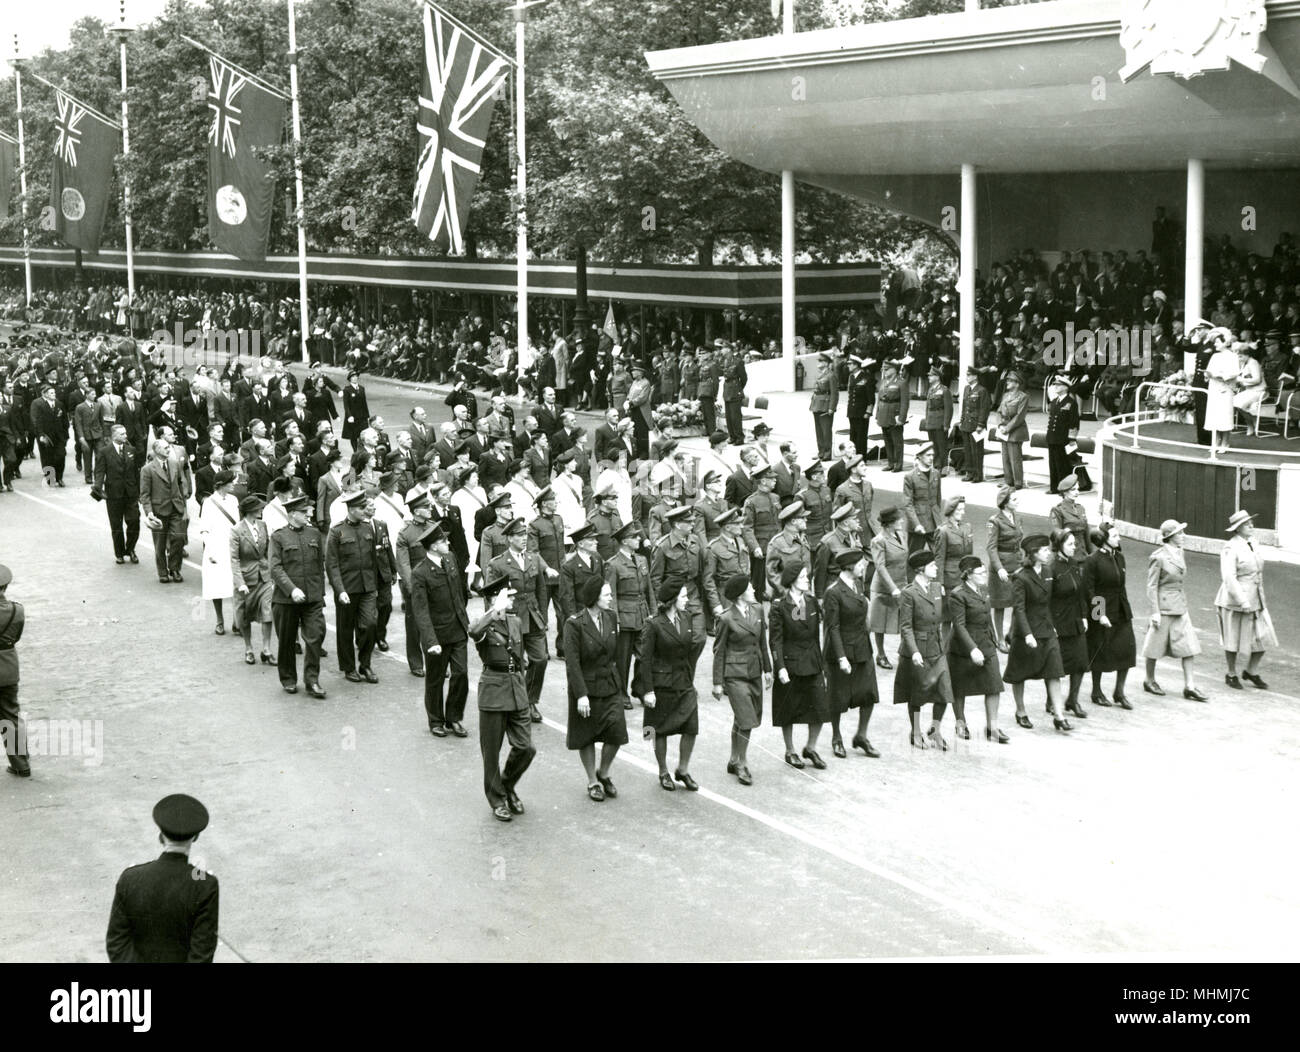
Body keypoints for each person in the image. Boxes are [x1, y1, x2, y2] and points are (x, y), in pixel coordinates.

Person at [106, 794, 219, 963]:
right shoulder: (205, 886)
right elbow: (202, 953)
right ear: (195, 837)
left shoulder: (130, 878)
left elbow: (116, 943)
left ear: (161, 835)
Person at [471, 574, 535, 822]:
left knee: (526, 747)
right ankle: (497, 799)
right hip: (493, 691)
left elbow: (520, 658)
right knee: (492, 752)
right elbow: (475, 631)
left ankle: (507, 785)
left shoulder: (515, 622)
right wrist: (493, 611)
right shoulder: (483, 623)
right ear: (494, 599)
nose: (512, 599)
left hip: (515, 689)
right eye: (507, 596)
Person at [635, 582, 704, 792]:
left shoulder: (686, 618)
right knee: (658, 730)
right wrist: (648, 690)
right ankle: (663, 771)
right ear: (673, 600)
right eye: (683, 596)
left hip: (683, 682)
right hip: (662, 684)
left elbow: (689, 652)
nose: (687, 600)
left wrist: (691, 681)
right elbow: (644, 659)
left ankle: (682, 770)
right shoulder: (653, 624)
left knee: (691, 727)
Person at [562, 578, 626, 802]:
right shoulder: (575, 624)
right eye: (607, 595)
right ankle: (593, 780)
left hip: (609, 684)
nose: (611, 598)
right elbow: (572, 662)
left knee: (617, 733)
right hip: (586, 688)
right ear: (594, 598)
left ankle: (604, 772)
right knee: (586, 736)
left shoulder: (611, 617)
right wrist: (581, 695)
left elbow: (616, 654)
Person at [1003, 535, 1071, 732]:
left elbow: (1047, 603)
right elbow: (1019, 609)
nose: (1048, 553)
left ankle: (1059, 715)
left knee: (1054, 671)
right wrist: (1027, 634)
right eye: (1044, 550)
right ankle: (1021, 711)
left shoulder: (1048, 572)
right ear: (1033, 554)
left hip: (1046, 630)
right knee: (1020, 673)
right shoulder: (1021, 577)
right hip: (1026, 632)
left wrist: (1053, 625)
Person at [486, 516, 549, 723]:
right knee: (516, 663)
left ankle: (531, 699)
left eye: (525, 535)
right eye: (520, 536)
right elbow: (491, 595)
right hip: (512, 619)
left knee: (540, 659)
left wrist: (544, 617)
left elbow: (541, 590)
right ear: (509, 538)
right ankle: (521, 704)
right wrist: (496, 624)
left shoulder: (534, 559)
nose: (524, 539)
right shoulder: (498, 564)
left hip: (532, 615)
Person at [411, 522, 470, 738]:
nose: (448, 542)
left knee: (461, 673)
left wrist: (465, 620)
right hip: (437, 635)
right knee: (435, 679)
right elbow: (421, 610)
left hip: (457, 629)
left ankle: (453, 717)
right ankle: (436, 720)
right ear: (434, 546)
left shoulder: (450, 559)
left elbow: (459, 593)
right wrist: (430, 640)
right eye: (443, 540)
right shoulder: (420, 573)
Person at [895, 549, 958, 748]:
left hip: (936, 648)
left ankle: (935, 730)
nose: (936, 568)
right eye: (932, 566)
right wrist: (913, 651)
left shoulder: (936, 588)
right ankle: (915, 731)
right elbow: (905, 626)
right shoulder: (908, 593)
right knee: (917, 694)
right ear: (920, 570)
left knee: (945, 691)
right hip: (918, 650)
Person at [770, 563, 830, 769]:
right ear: (792, 580)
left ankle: (811, 748)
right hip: (791, 664)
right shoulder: (779, 605)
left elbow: (816, 637)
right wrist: (780, 667)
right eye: (803, 577)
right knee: (788, 709)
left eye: (807, 576)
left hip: (812, 662)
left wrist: (822, 665)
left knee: (820, 707)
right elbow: (775, 640)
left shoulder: (811, 602)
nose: (807, 580)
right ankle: (790, 750)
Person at [713, 574, 771, 785]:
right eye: (749, 588)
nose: (754, 590)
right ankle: (742, 763)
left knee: (743, 717)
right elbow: (719, 651)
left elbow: (762, 642)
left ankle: (733, 757)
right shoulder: (726, 618)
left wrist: (768, 669)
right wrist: (717, 683)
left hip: (754, 671)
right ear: (739, 595)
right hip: (735, 674)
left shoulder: (758, 609)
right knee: (746, 718)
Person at [268, 494, 328, 698]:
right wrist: (292, 589)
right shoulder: (278, 537)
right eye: (305, 512)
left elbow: (320, 565)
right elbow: (275, 568)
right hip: (286, 600)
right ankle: (288, 679)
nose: (309, 514)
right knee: (286, 641)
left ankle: (312, 681)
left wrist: (320, 594)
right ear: (293, 514)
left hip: (312, 599)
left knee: (315, 637)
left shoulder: (314, 534)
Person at [1142, 519, 1208, 701]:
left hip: (1179, 605)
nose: (1183, 536)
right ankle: (1149, 680)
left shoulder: (1180, 552)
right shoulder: (1158, 557)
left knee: (1188, 646)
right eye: (1180, 533)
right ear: (1170, 537)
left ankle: (1190, 686)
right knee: (1154, 646)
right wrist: (1155, 612)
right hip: (1163, 607)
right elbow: (1151, 586)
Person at [823, 548, 880, 758]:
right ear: (849, 567)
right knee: (837, 697)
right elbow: (833, 628)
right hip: (842, 650)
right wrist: (841, 657)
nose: (864, 566)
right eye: (861, 563)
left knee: (869, 694)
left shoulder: (857, 585)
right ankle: (836, 737)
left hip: (862, 647)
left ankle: (861, 736)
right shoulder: (833, 592)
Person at [947, 556, 1008, 743]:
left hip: (986, 643)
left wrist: (996, 638)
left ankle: (992, 728)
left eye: (984, 572)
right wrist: (972, 649)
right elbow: (959, 625)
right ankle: (960, 723)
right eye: (980, 573)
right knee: (959, 688)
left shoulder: (983, 590)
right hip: (963, 647)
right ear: (968, 575)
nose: (984, 575)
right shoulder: (957, 594)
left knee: (994, 684)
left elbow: (987, 615)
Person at [1216, 509, 1276, 690]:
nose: (1251, 526)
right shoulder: (1230, 547)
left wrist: (1256, 598)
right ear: (1237, 528)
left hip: (1256, 599)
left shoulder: (1253, 543)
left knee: (1264, 636)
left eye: (1251, 522)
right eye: (1247, 524)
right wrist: (1242, 600)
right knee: (1232, 639)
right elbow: (1228, 577)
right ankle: (1231, 673)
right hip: (1235, 601)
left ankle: (1251, 671)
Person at [326, 490, 381, 684]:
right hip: (347, 589)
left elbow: (373, 560)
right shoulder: (337, 531)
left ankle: (365, 664)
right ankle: (348, 667)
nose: (365, 511)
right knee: (345, 629)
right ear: (350, 509)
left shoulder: (368, 528)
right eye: (360, 508)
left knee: (370, 625)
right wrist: (339, 590)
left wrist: (375, 585)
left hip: (367, 586)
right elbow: (331, 564)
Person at [650, 505, 709, 675]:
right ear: (677, 524)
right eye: (688, 522)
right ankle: (676, 679)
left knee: (699, 638)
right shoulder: (662, 546)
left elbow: (701, 571)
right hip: (672, 599)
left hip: (692, 596)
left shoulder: (695, 540)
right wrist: (662, 604)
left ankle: (685, 676)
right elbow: (655, 578)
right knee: (674, 642)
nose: (693, 524)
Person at [1083, 522, 1136, 709]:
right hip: (1103, 612)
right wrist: (1099, 614)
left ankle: (1119, 692)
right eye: (1114, 536)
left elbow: (1121, 587)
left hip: (1121, 610)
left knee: (1127, 650)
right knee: (1100, 652)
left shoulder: (1120, 558)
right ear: (1103, 540)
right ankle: (1096, 691)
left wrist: (1127, 611)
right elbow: (1089, 590)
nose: (1119, 539)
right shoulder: (1092, 561)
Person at [605, 521, 654, 708]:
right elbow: (612, 595)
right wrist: (614, 619)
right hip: (624, 617)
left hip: (642, 614)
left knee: (645, 655)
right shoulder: (613, 564)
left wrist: (654, 613)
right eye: (635, 537)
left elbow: (649, 589)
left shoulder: (641, 560)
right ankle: (621, 694)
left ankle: (640, 689)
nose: (639, 539)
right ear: (625, 541)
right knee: (622, 659)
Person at [1048, 530, 1091, 720]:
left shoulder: (1074, 564)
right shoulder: (1050, 567)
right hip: (1058, 621)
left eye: (1075, 544)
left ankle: (1073, 700)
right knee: (1056, 665)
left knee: (1081, 661)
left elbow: (1081, 593)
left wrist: (1084, 616)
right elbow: (1046, 599)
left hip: (1075, 620)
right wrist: (1050, 624)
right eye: (1071, 544)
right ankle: (1051, 701)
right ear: (1059, 546)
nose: (1075, 547)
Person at [230, 495, 274, 666]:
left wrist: (271, 574)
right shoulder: (236, 530)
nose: (261, 510)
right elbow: (234, 559)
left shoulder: (263, 526)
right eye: (258, 508)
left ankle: (267, 650)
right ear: (250, 511)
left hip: (264, 577)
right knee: (245, 616)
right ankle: (248, 649)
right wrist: (239, 583)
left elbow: (268, 551)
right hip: (246, 580)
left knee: (267, 611)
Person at [139, 437, 190, 583]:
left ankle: (175, 569)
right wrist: (149, 513)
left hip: (176, 508)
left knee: (179, 539)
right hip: (158, 511)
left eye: (169, 447)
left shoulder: (174, 464)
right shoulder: (147, 469)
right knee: (160, 544)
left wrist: (183, 504)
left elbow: (180, 484)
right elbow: (144, 494)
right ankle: (162, 571)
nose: (169, 449)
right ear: (157, 451)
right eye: (166, 447)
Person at [94, 423, 141, 564]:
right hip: (114, 494)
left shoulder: (131, 449)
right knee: (116, 525)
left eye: (125, 433)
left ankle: (130, 549)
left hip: (131, 493)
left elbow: (136, 472)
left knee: (134, 522)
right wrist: (98, 486)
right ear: (114, 436)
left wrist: (140, 492)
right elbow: (100, 471)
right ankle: (119, 553)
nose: (126, 436)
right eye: (122, 434)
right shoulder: (104, 452)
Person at [198, 470, 238, 636]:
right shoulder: (208, 503)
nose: (234, 484)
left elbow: (237, 524)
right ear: (222, 484)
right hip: (215, 547)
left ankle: (237, 621)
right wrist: (210, 550)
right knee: (216, 585)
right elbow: (204, 529)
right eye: (231, 482)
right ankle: (220, 620)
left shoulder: (234, 500)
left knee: (236, 584)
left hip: (232, 546)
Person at [868, 506, 907, 665]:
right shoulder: (879, 540)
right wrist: (893, 588)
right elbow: (880, 566)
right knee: (880, 623)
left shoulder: (901, 534)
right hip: (884, 587)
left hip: (901, 583)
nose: (902, 521)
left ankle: (906, 652)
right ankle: (881, 655)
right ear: (890, 523)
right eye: (899, 519)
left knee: (905, 620)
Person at [985, 485, 1023, 651]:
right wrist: (999, 568)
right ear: (1005, 503)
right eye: (1014, 499)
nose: (1017, 501)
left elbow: (1019, 541)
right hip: (1001, 567)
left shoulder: (1017, 517)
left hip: (1017, 564)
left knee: (1018, 602)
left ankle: (1011, 634)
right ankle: (1000, 639)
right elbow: (991, 547)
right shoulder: (995, 521)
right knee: (1000, 604)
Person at [932, 495, 972, 647]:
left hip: (964, 577)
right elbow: (939, 559)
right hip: (949, 580)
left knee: (963, 615)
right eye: (959, 510)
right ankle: (945, 648)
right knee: (948, 618)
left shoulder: (967, 527)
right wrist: (939, 583)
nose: (963, 512)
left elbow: (970, 555)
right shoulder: (943, 531)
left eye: (963, 509)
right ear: (951, 511)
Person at [0, 564, 28, 778]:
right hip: (8, 668)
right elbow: (15, 637)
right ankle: (21, 765)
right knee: (11, 716)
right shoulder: (17, 610)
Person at [741, 464, 780, 600]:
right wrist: (755, 547)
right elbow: (747, 527)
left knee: (778, 582)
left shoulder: (775, 498)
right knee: (760, 586)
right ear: (763, 481)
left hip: (777, 547)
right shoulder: (751, 501)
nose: (775, 480)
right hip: (762, 550)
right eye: (772, 479)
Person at [902, 441, 942, 555]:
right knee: (914, 557)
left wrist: (938, 518)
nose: (931, 458)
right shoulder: (910, 476)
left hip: (934, 522)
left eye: (932, 455)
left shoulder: (936, 474)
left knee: (939, 554)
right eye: (928, 455)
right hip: (918, 524)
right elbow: (908, 504)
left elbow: (938, 498)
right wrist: (916, 524)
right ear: (919, 457)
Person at [1044, 376, 1080, 493]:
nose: (1055, 387)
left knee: (1062, 465)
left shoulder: (1071, 403)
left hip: (1063, 438)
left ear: (1065, 387)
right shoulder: (1055, 401)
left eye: (1058, 385)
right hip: (1053, 437)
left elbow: (1074, 422)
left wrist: (1072, 438)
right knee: (1053, 464)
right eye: (1055, 385)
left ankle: (1063, 489)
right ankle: (1054, 487)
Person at [996, 370, 1029, 489]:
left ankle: (1018, 482)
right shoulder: (1005, 395)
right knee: (1005, 456)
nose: (1008, 383)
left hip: (1015, 430)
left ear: (1017, 383)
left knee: (1015, 458)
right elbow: (999, 411)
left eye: (1010, 381)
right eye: (1008, 380)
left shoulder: (1023, 397)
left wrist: (1007, 428)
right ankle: (1008, 481)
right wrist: (1000, 425)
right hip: (1004, 428)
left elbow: (1020, 416)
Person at [958, 365, 990, 482]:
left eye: (969, 375)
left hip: (976, 425)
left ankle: (977, 475)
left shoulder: (982, 390)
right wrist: (962, 420)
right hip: (966, 423)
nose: (967, 377)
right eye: (967, 374)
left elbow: (984, 408)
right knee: (967, 450)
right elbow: (964, 406)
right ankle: (969, 473)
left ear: (975, 376)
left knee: (976, 451)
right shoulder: (967, 388)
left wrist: (981, 424)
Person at [1049, 473, 1091, 562]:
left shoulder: (1080, 508)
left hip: (1082, 553)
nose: (1077, 492)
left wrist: (1091, 554)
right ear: (1065, 492)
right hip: (1069, 554)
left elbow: (1086, 533)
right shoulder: (1058, 510)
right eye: (1073, 490)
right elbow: (1057, 534)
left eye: (1077, 489)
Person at [875, 361, 907, 471]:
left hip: (894, 414)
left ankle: (898, 463)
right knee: (887, 440)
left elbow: (904, 402)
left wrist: (902, 418)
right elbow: (879, 399)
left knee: (896, 440)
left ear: (894, 370)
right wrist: (877, 415)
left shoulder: (901, 383)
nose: (884, 371)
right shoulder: (883, 382)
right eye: (883, 369)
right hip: (884, 413)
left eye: (887, 369)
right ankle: (890, 462)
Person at [809, 351, 839, 461]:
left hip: (825, 405)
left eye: (821, 361)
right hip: (817, 404)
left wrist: (832, 407)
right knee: (819, 430)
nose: (819, 363)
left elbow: (834, 393)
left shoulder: (831, 375)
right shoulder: (820, 374)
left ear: (826, 363)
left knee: (826, 430)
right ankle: (821, 451)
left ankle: (827, 452)